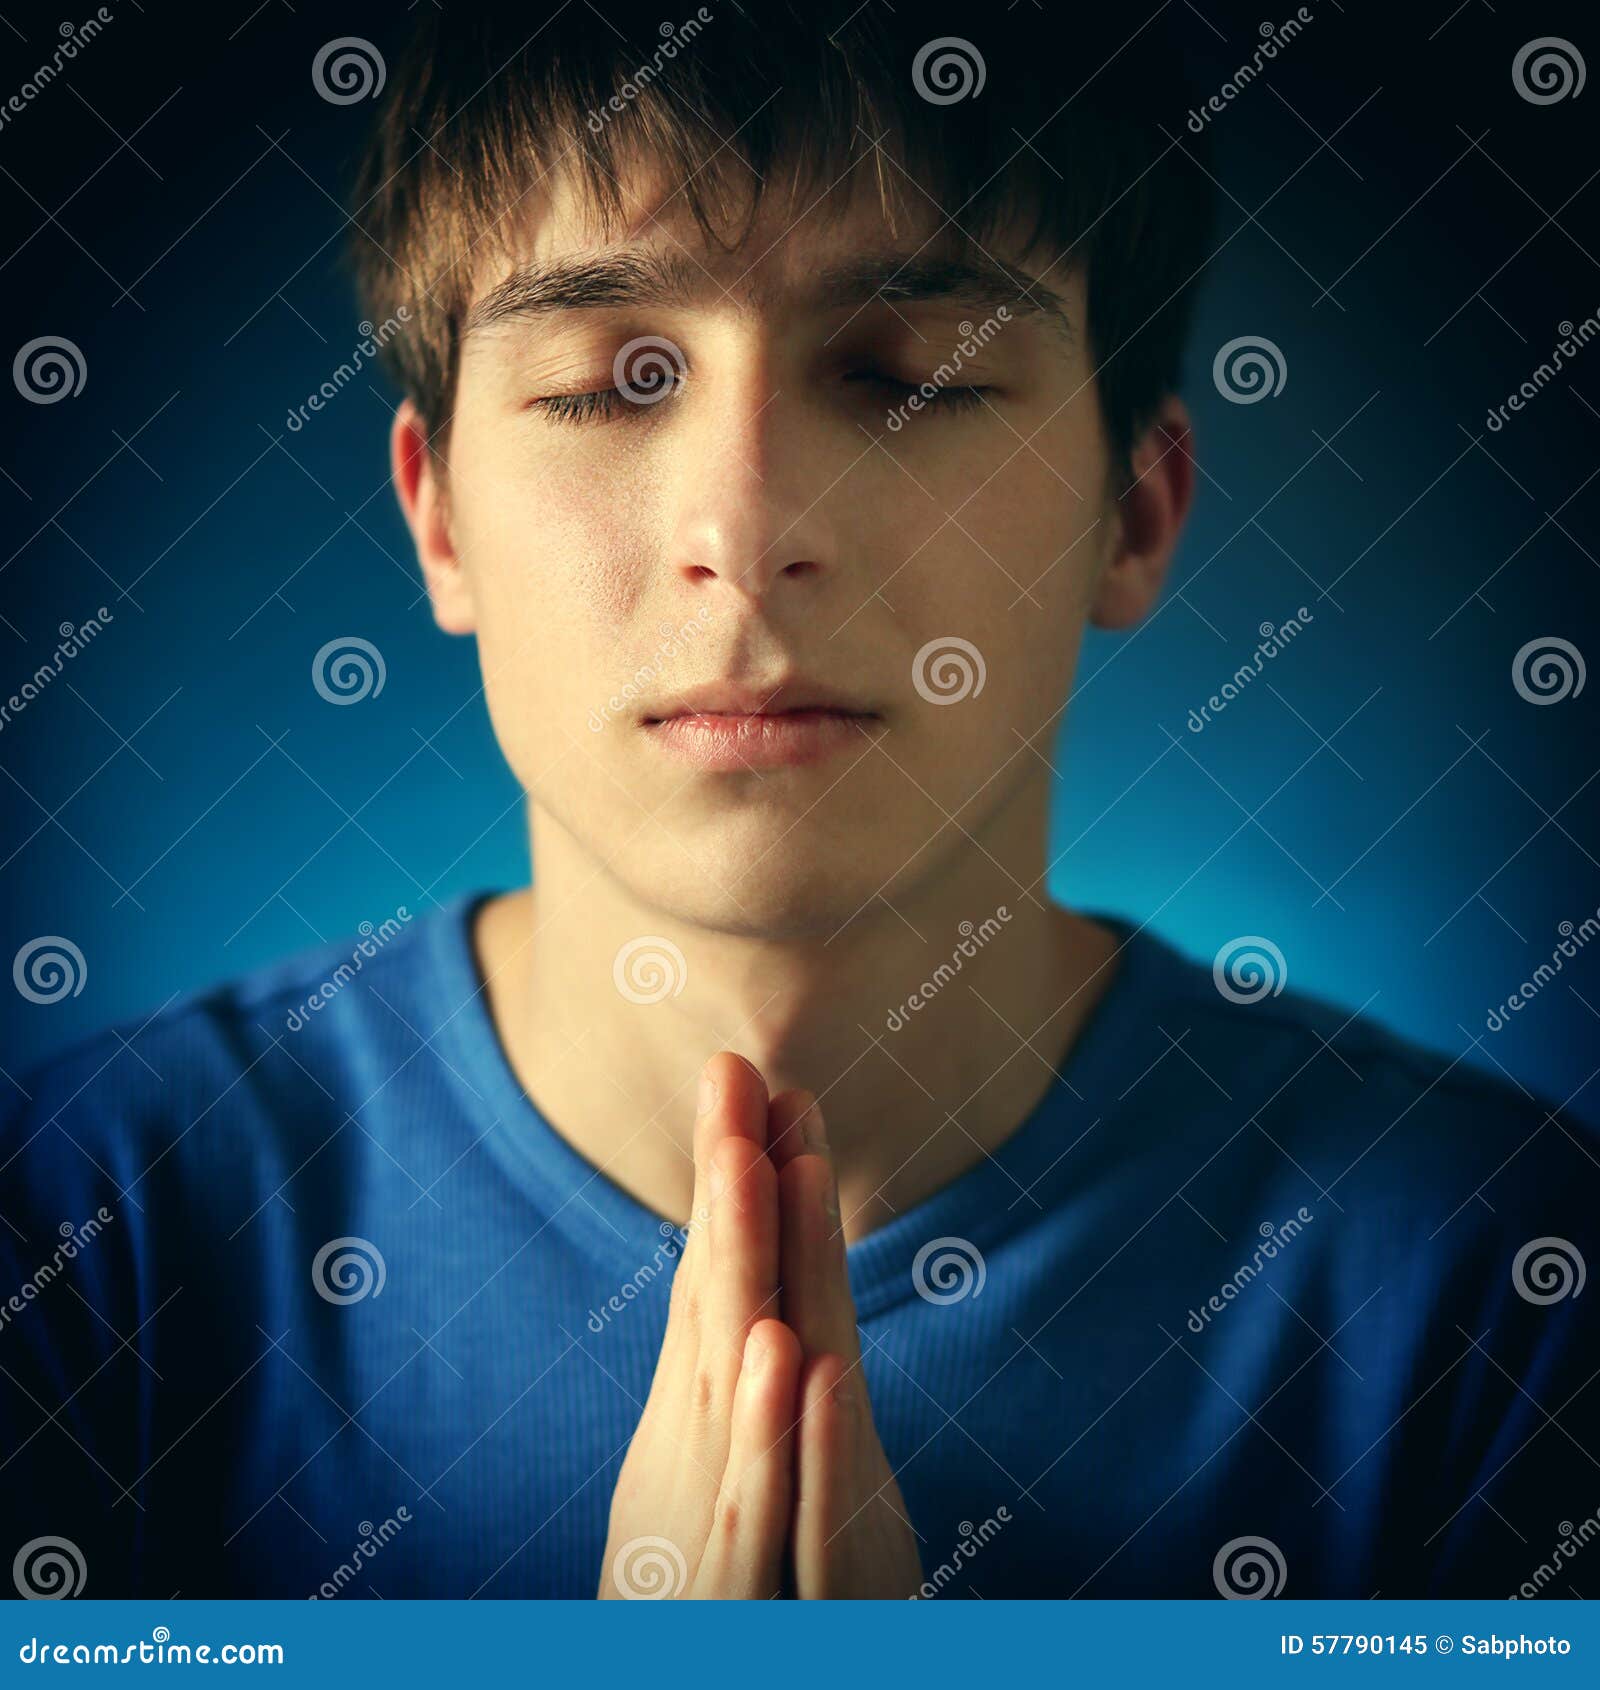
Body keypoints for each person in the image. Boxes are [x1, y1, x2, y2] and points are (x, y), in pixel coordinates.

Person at [3, 3, 1592, 1601]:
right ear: (441, 522)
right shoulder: (80, 1240)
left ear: (1134, 507)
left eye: (905, 372)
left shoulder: (1502, 1291)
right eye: (614, 379)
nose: (748, 528)